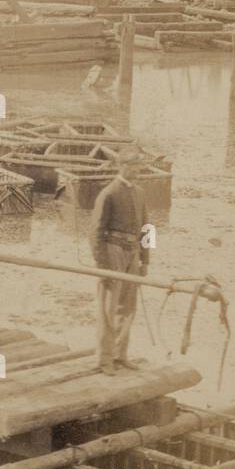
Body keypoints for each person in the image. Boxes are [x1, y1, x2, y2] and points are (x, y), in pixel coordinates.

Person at [90, 145, 149, 375]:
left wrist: (145, 259)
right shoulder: (109, 193)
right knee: (108, 307)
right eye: (133, 166)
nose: (137, 170)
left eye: (139, 165)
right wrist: (103, 266)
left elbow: (147, 228)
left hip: (133, 252)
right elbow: (95, 232)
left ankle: (120, 355)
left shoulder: (140, 193)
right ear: (121, 165)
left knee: (128, 307)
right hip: (113, 250)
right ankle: (104, 360)